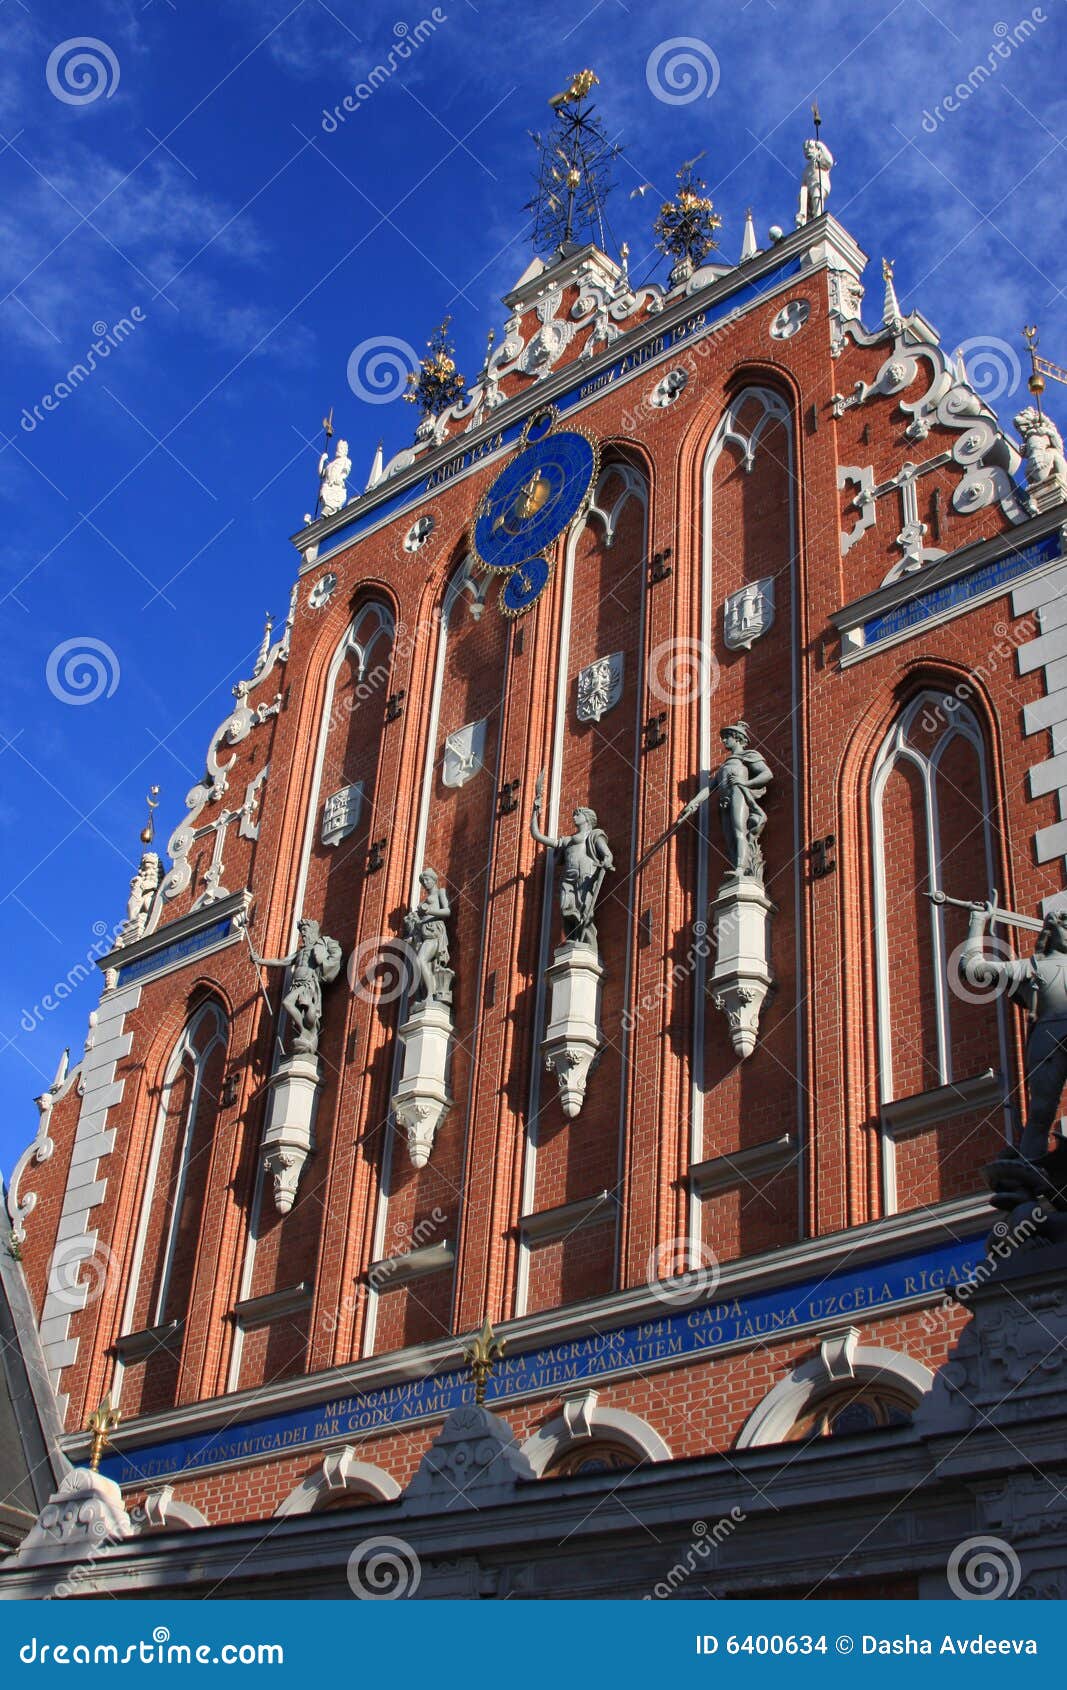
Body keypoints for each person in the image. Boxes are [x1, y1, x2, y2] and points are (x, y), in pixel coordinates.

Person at [961, 903, 1067, 1164]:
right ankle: (1031, 1166)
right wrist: (979, 921)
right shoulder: (1031, 967)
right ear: (1051, 929)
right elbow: (972, 969)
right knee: (1041, 1111)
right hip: (1048, 1039)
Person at [678, 722, 773, 879]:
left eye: (726, 737)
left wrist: (746, 783)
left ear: (737, 738)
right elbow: (710, 788)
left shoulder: (748, 756)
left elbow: (767, 774)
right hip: (724, 800)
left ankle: (742, 868)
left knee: (739, 829)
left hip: (738, 794)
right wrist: (694, 803)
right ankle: (737, 864)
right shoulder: (726, 764)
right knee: (729, 837)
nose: (723, 741)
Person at [530, 775, 614, 949]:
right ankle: (573, 939)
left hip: (586, 877)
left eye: (578, 814)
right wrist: (535, 812)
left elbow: (607, 854)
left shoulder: (594, 835)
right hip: (568, 878)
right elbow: (537, 835)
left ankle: (588, 944)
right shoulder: (567, 840)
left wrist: (607, 861)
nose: (574, 817)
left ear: (587, 818)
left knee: (585, 910)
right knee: (565, 909)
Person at [249, 915, 343, 1055]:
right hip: (296, 984)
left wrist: (323, 969)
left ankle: (306, 1031)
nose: (302, 934)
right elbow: (282, 962)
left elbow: (336, 954)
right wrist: (260, 960)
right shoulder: (300, 952)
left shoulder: (319, 946)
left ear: (312, 931)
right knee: (295, 1008)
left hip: (308, 983)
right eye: (301, 931)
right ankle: (304, 1031)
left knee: (288, 1003)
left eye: (305, 930)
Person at [403, 868, 451, 1004]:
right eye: (423, 881)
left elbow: (447, 911)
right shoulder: (424, 900)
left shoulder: (440, 892)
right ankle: (427, 994)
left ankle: (430, 994)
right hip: (424, 936)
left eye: (427, 879)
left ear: (434, 879)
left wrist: (429, 910)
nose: (425, 882)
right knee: (423, 965)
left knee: (420, 961)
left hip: (434, 934)